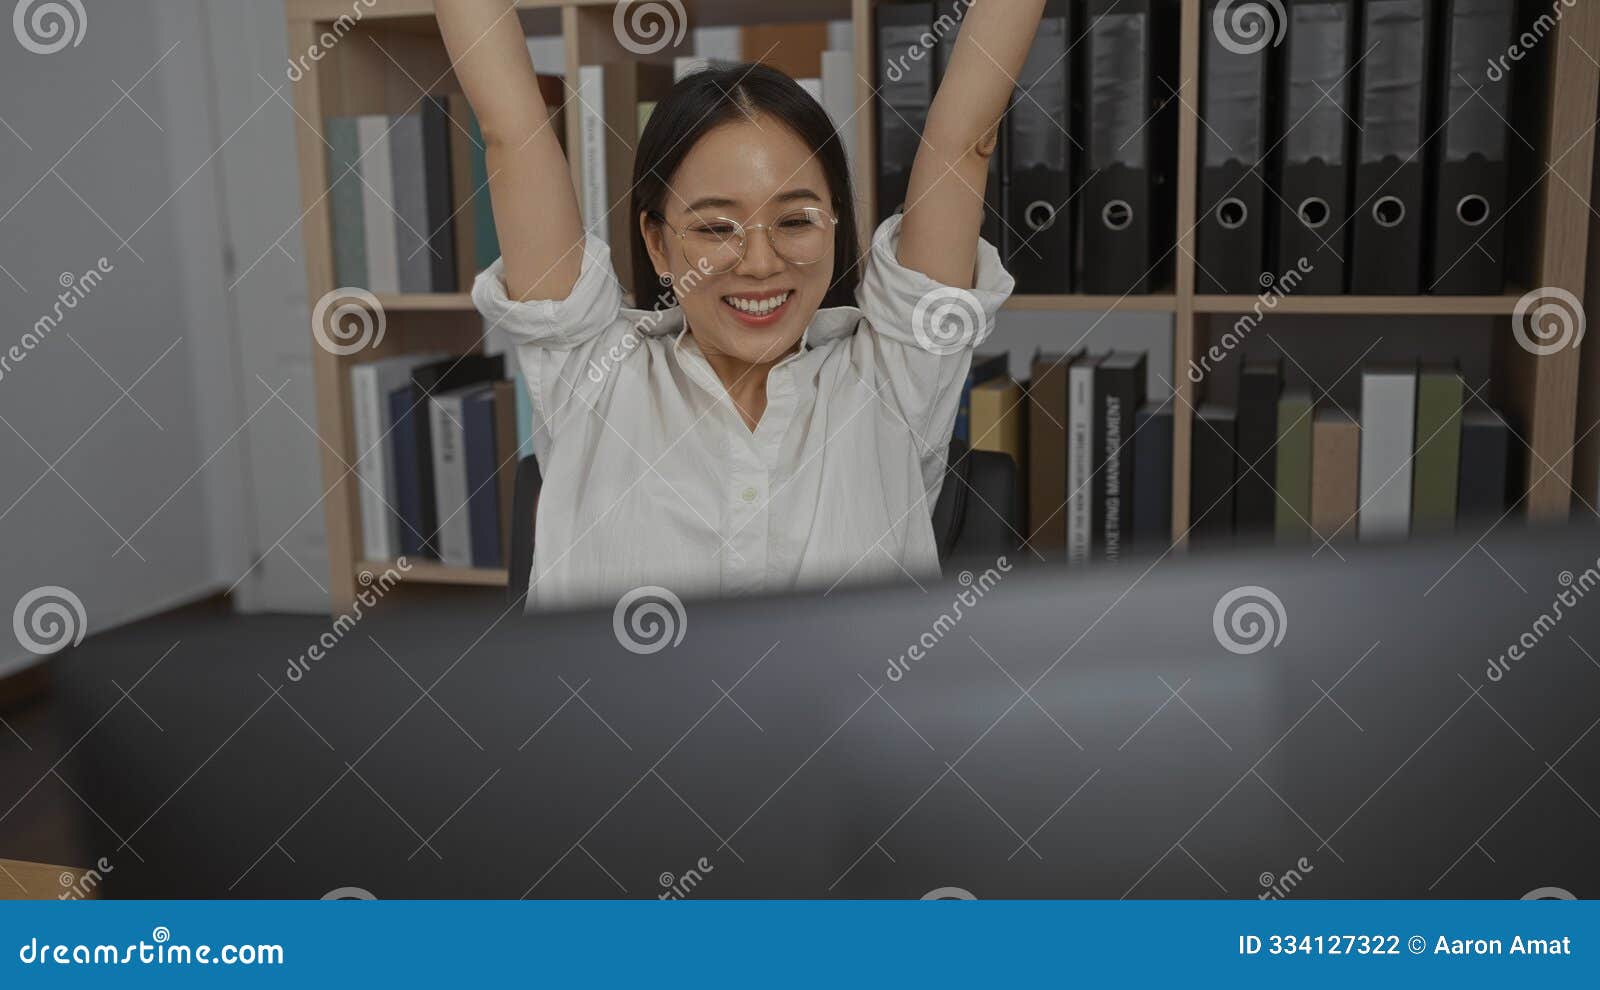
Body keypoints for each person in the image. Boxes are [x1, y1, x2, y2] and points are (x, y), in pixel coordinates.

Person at [434, 0, 1046, 610]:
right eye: (716, 228)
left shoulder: (897, 377)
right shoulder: (592, 372)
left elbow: (967, 141)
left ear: (835, 224)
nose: (759, 262)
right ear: (657, 243)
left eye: (796, 219)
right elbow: (510, 132)